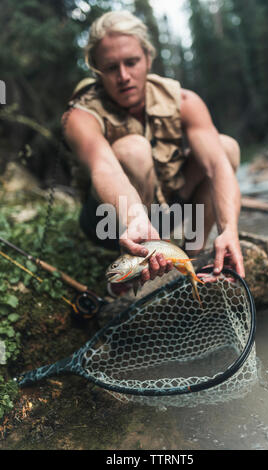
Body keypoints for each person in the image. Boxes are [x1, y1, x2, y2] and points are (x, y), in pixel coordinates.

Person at [62, 10, 245, 296]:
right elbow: (104, 167)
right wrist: (135, 219)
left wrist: (229, 229)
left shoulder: (185, 101)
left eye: (132, 62)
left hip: (163, 210)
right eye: (111, 68)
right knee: (133, 149)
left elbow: (218, 166)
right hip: (109, 222)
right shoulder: (80, 117)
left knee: (226, 147)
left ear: (148, 58)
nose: (123, 76)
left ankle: (194, 256)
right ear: (96, 70)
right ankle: (130, 266)